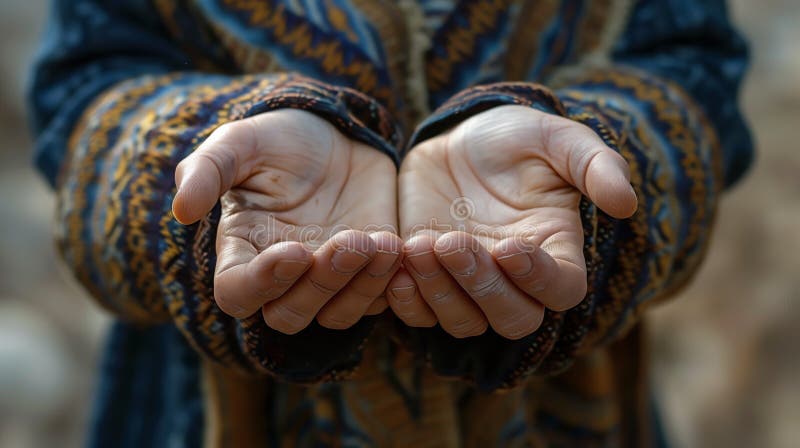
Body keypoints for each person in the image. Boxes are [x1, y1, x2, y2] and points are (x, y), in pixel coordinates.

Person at [28, 1, 752, 447]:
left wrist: (594, 176)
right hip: (198, 413)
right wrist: (206, 178)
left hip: (564, 415)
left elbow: (694, 69)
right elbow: (81, 92)